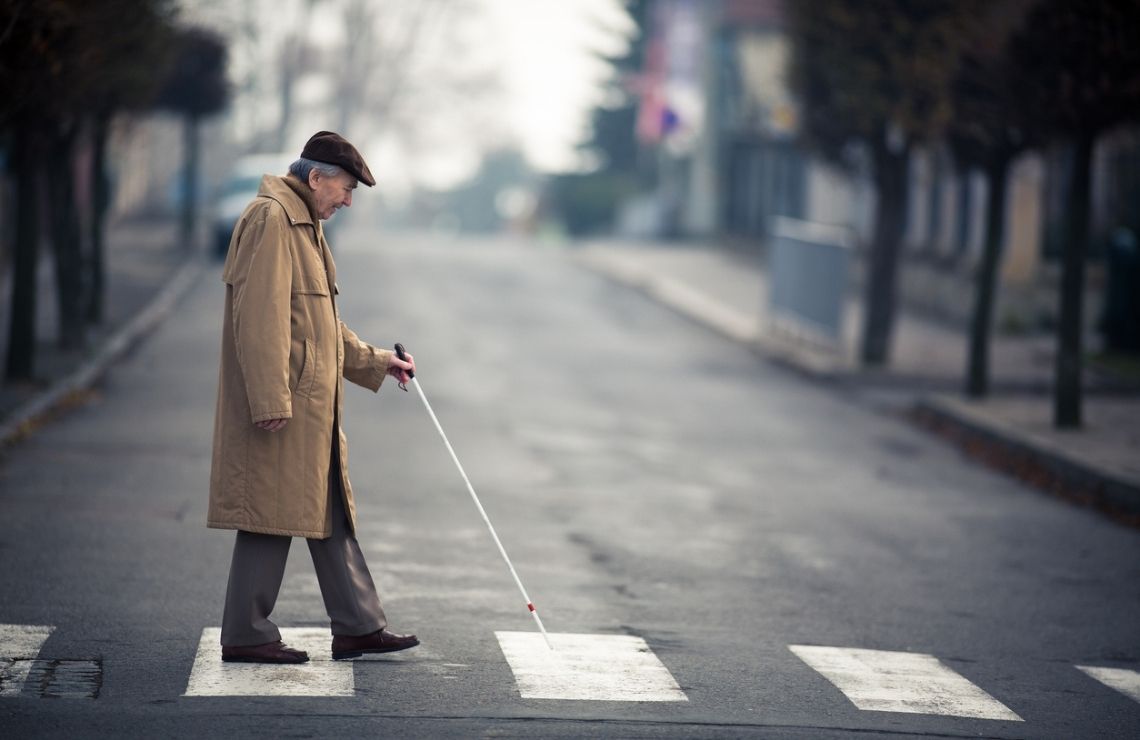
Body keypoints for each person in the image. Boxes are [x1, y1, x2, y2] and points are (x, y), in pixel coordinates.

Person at [208, 131, 418, 664]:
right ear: (316, 177)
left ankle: (358, 627)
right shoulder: (272, 220)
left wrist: (375, 360)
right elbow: (259, 320)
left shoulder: (305, 226)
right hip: (287, 405)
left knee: (328, 513)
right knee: (267, 515)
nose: (347, 200)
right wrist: (270, 400)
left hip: (311, 408)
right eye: (345, 189)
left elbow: (319, 326)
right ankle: (248, 634)